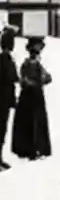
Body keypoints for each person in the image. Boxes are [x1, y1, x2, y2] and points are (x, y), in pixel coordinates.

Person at [11, 37, 52, 160]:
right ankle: (32, 148)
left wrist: (40, 80)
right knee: (32, 122)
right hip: (31, 97)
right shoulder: (29, 64)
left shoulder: (34, 64)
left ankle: (33, 148)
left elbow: (48, 78)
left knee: (33, 122)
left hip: (32, 96)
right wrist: (36, 82)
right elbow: (24, 80)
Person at [0, 29, 18, 171]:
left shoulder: (6, 59)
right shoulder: (6, 60)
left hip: (5, 100)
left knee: (2, 130)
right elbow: (12, 78)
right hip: (2, 100)